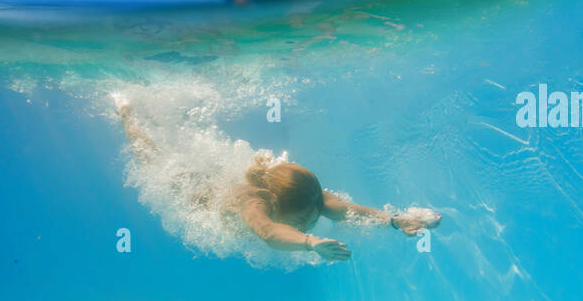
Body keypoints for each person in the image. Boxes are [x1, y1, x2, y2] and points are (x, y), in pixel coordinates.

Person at [116, 98, 441, 263]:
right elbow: (269, 233)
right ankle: (127, 116)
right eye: (305, 221)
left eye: (315, 214)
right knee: (154, 158)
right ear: (275, 205)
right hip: (194, 194)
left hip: (232, 185)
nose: (314, 220)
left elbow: (345, 210)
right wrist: (311, 243)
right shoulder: (254, 203)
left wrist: (395, 221)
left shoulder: (308, 195)